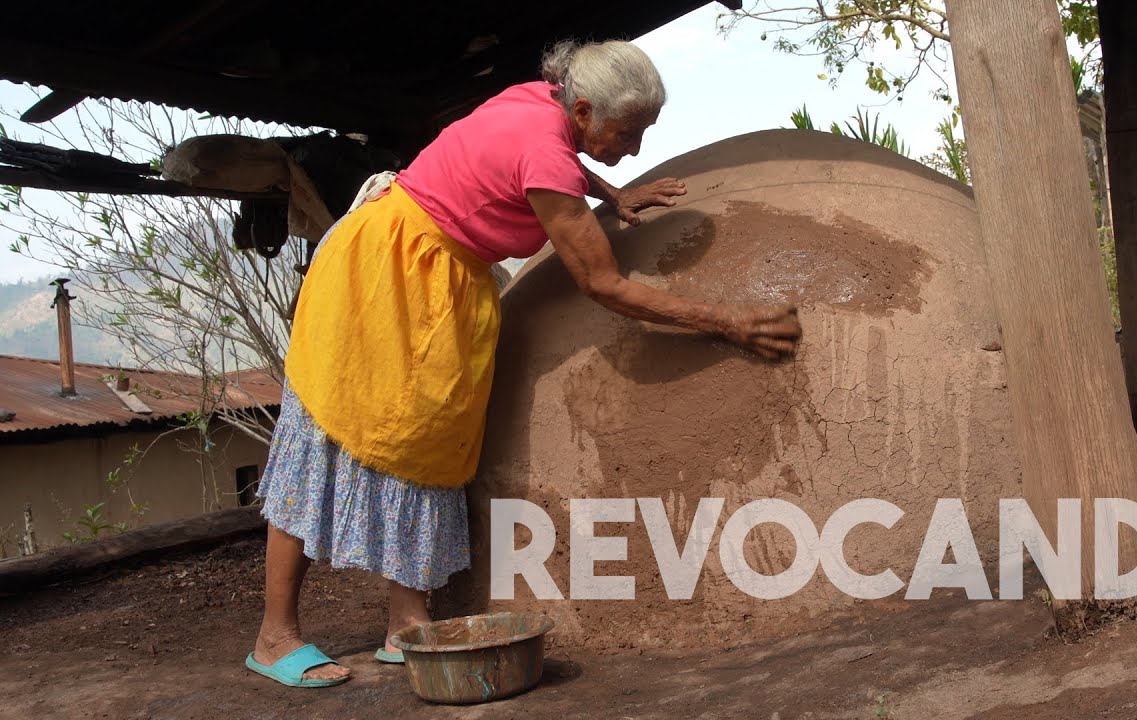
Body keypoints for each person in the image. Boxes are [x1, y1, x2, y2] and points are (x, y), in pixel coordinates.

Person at [245, 39, 802, 688]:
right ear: (586, 108)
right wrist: (730, 322)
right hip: (386, 279)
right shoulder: (547, 152)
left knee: (428, 445)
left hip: (440, 279)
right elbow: (603, 284)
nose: (636, 149)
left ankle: (406, 623)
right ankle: (274, 635)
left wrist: (612, 193)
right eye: (628, 134)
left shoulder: (543, 100)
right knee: (329, 438)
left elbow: (550, 157)